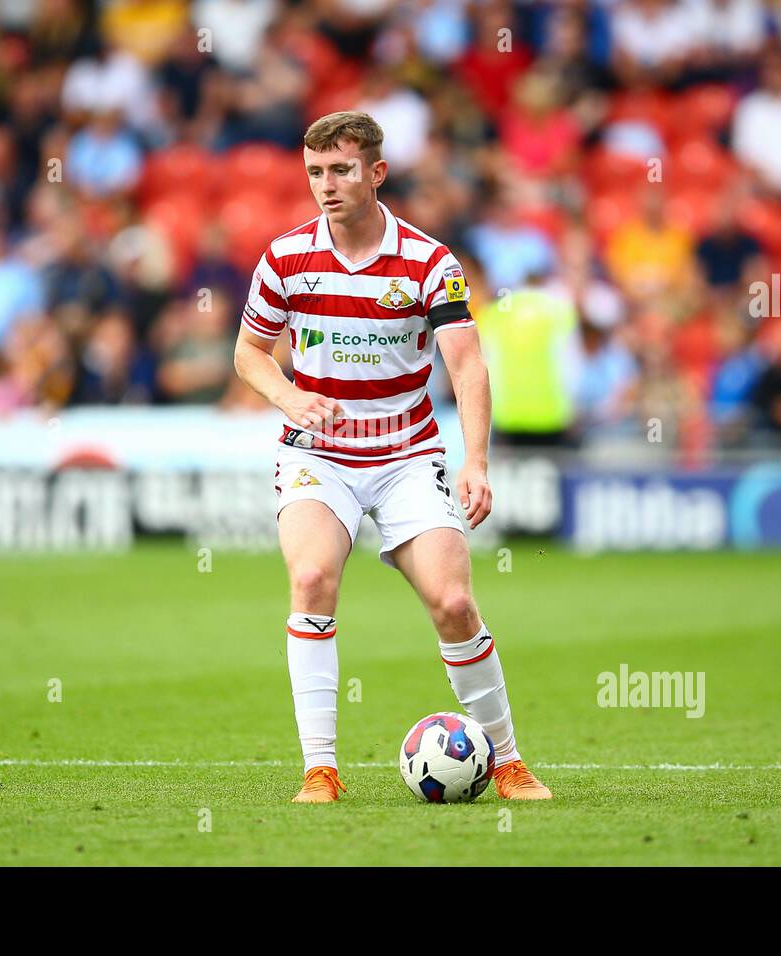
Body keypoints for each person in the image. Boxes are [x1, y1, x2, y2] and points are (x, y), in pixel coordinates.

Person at [232, 111, 551, 804]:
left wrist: (475, 462)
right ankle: (320, 770)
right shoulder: (286, 257)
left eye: (341, 170)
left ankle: (509, 762)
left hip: (408, 454)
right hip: (320, 454)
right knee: (312, 576)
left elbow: (466, 367)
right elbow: (249, 355)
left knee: (455, 601)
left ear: (377, 172)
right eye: (315, 172)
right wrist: (291, 400)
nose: (326, 185)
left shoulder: (431, 263)